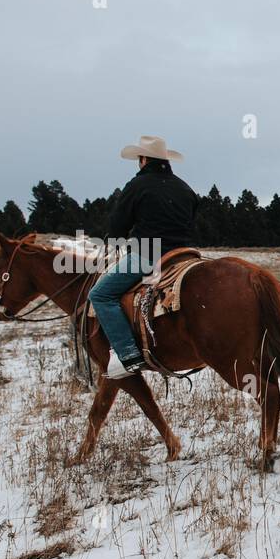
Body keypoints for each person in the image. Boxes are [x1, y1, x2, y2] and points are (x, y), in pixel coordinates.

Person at [90, 135, 198, 378]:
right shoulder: (184, 187)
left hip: (149, 254)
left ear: (143, 159)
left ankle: (128, 354)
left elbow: (118, 226)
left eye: (139, 158)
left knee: (100, 294)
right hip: (184, 256)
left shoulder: (137, 185)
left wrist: (114, 239)